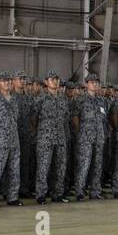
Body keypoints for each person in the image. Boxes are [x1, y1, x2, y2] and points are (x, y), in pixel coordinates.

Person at [0, 72, 23, 208]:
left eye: (8, 81)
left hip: (14, 139)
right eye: (3, 81)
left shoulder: (14, 100)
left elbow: (16, 119)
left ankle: (13, 196)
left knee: (14, 170)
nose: (7, 83)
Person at [34, 71, 72, 204]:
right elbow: (33, 119)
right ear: (46, 82)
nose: (55, 81)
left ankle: (58, 194)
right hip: (45, 138)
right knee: (44, 167)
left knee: (60, 168)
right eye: (51, 79)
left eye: (56, 79)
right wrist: (40, 133)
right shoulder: (40, 98)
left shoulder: (63, 99)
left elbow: (66, 117)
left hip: (61, 138)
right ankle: (41, 194)